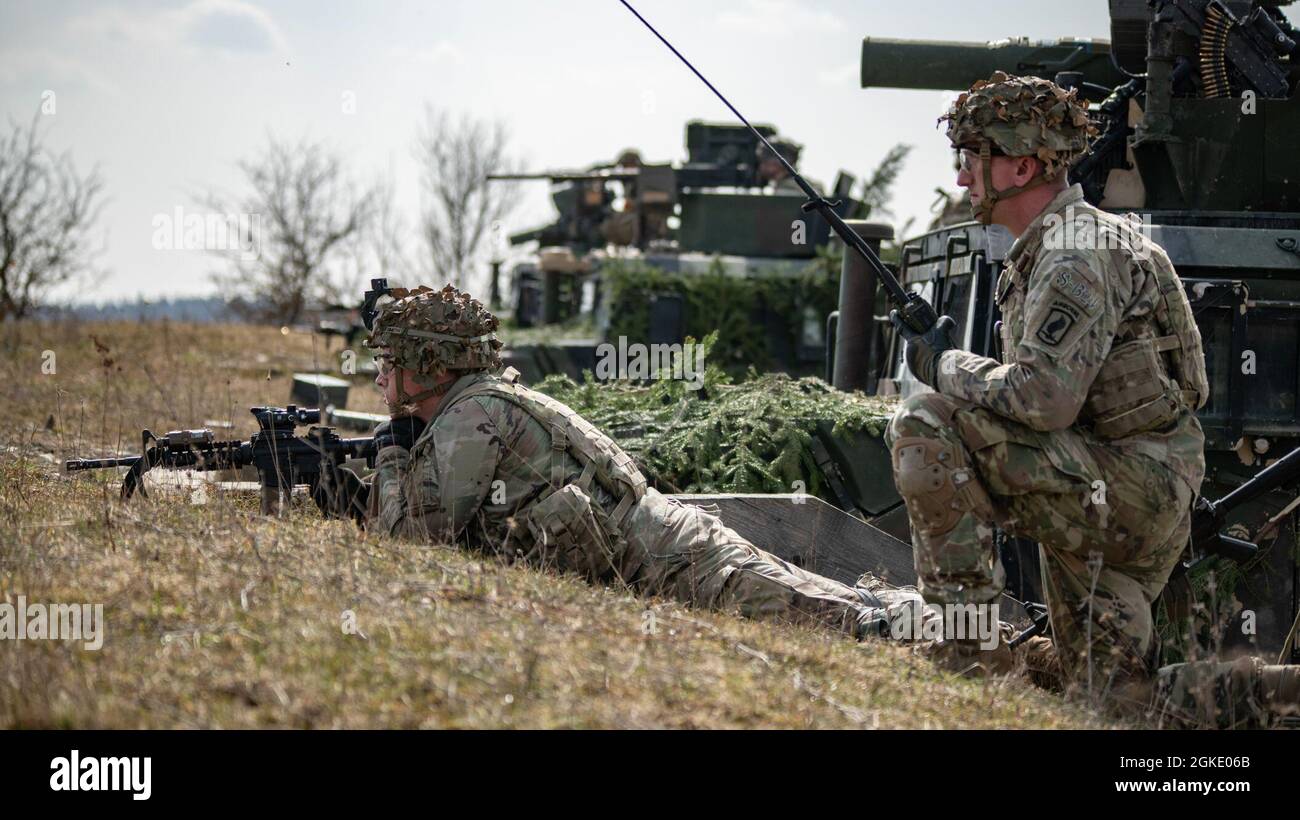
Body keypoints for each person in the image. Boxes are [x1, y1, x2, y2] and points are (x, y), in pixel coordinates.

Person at [887, 71, 1298, 725]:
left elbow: (1042, 399)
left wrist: (943, 363)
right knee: (1112, 703)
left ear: (1020, 165)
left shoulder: (1074, 255)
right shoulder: (1072, 242)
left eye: (971, 159)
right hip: (1131, 484)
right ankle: (1285, 693)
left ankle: (972, 665)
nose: (962, 178)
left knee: (924, 421)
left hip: (1124, 487)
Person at [354, 283, 931, 643]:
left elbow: (413, 539)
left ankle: (973, 634)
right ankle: (961, 627)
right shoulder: (489, 397)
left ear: (430, 365)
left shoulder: (471, 415)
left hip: (675, 563)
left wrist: (390, 452)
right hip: (673, 541)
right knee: (832, 603)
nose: (379, 376)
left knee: (839, 620)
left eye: (389, 361)